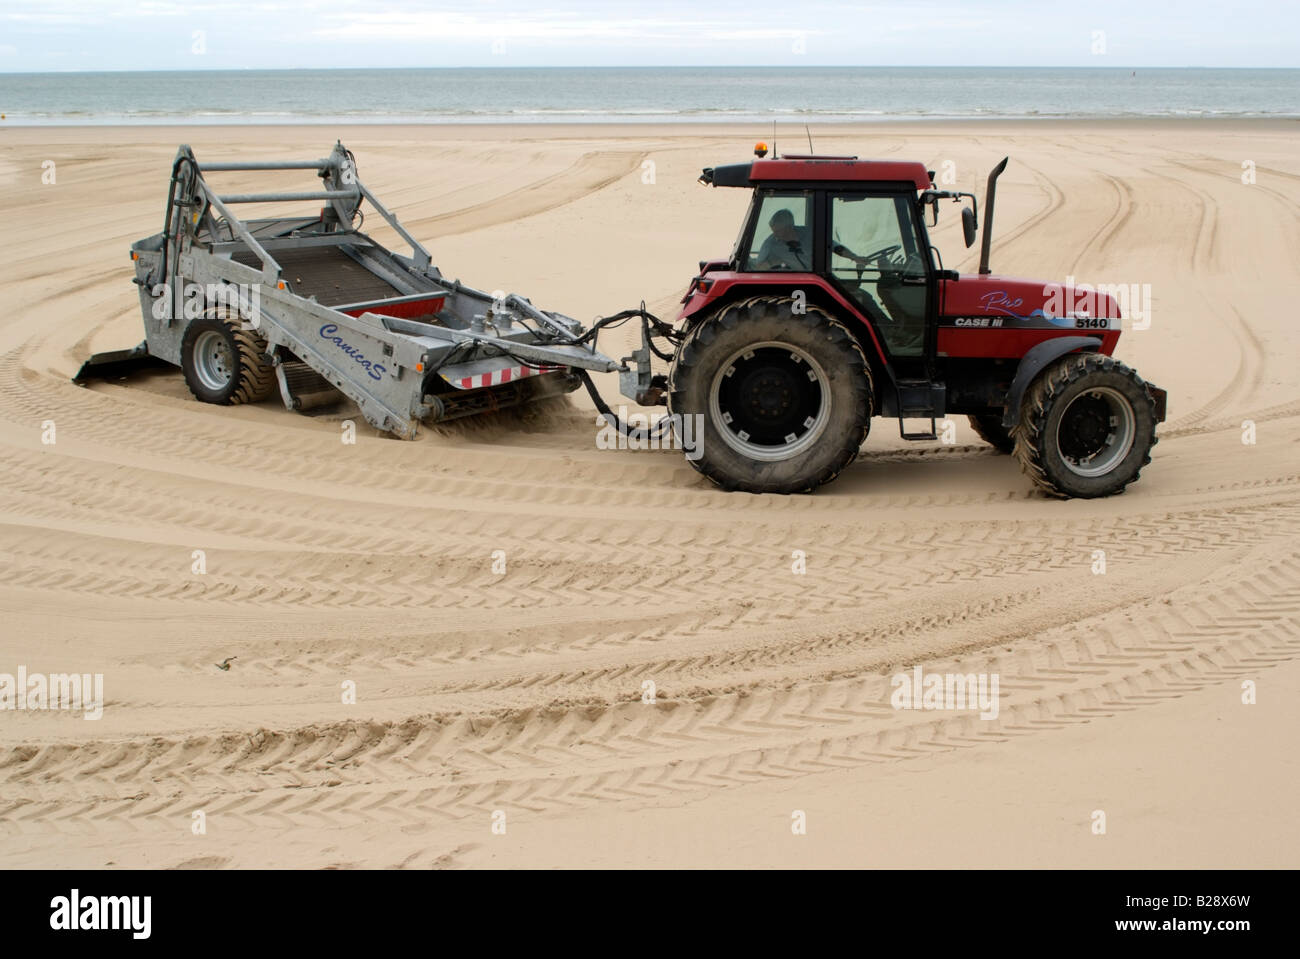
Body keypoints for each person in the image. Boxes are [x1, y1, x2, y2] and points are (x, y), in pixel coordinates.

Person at [753, 208, 871, 271]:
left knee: (862, 296)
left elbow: (835, 247)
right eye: (774, 231)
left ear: (790, 227)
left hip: (819, 276)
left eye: (779, 231)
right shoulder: (770, 244)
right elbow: (758, 267)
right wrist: (774, 262)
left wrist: (855, 257)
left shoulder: (810, 234)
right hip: (797, 283)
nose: (776, 235)